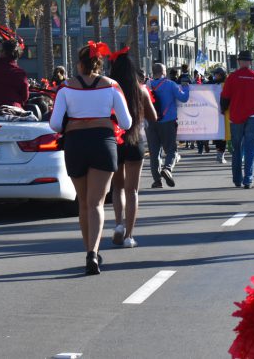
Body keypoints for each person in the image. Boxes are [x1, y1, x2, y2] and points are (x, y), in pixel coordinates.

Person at [49, 44, 132, 275]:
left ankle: (89, 250)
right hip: (103, 142)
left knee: (83, 202)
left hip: (76, 143)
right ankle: (93, 253)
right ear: (99, 63)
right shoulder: (112, 86)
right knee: (96, 202)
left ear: (80, 63)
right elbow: (126, 123)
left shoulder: (65, 87)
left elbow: (55, 124)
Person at [109, 56, 156, 249]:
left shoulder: (110, 90)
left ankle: (119, 224)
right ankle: (129, 235)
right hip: (135, 140)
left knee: (117, 187)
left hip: (115, 140)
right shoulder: (141, 90)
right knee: (132, 190)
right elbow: (153, 117)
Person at [220, 51, 254, 189]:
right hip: (253, 117)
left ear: (239, 62)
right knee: (251, 149)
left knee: (236, 149)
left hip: (236, 117)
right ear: (250, 62)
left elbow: (224, 98)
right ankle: (248, 180)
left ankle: (237, 179)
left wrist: (223, 109)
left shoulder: (232, 77)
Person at [146, 62, 190, 189]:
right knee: (171, 150)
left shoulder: (146, 86)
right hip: (167, 121)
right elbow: (184, 98)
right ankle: (167, 169)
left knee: (154, 153)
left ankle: (157, 181)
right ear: (163, 72)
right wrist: (186, 87)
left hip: (151, 123)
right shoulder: (170, 85)